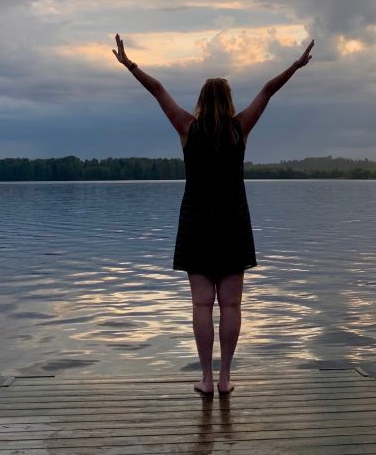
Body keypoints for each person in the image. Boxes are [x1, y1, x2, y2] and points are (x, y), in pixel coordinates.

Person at [113, 33, 314, 395]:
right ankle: (225, 379)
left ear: (202, 101)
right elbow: (268, 90)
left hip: (196, 224)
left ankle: (206, 378)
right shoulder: (240, 129)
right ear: (229, 100)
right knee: (232, 304)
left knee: (202, 304)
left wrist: (130, 65)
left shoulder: (188, 128)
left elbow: (158, 89)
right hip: (233, 222)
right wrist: (296, 66)